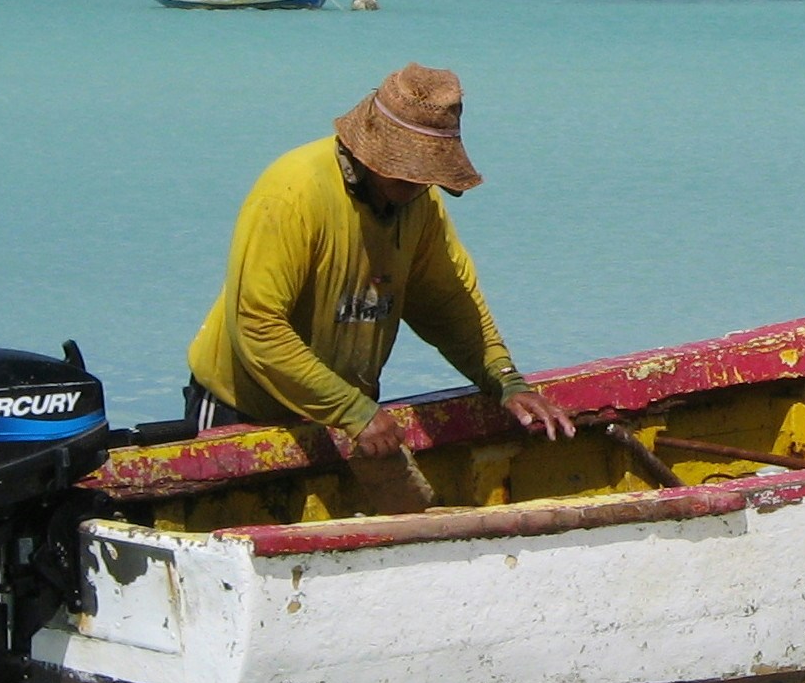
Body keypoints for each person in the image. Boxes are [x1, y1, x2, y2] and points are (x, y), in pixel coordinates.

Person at [185, 63, 575, 455]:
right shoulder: (291, 194)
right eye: (404, 172)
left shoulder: (420, 204)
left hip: (346, 415)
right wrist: (354, 410)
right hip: (241, 409)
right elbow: (257, 326)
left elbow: (448, 306)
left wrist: (506, 382)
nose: (417, 184)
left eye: (426, 175)